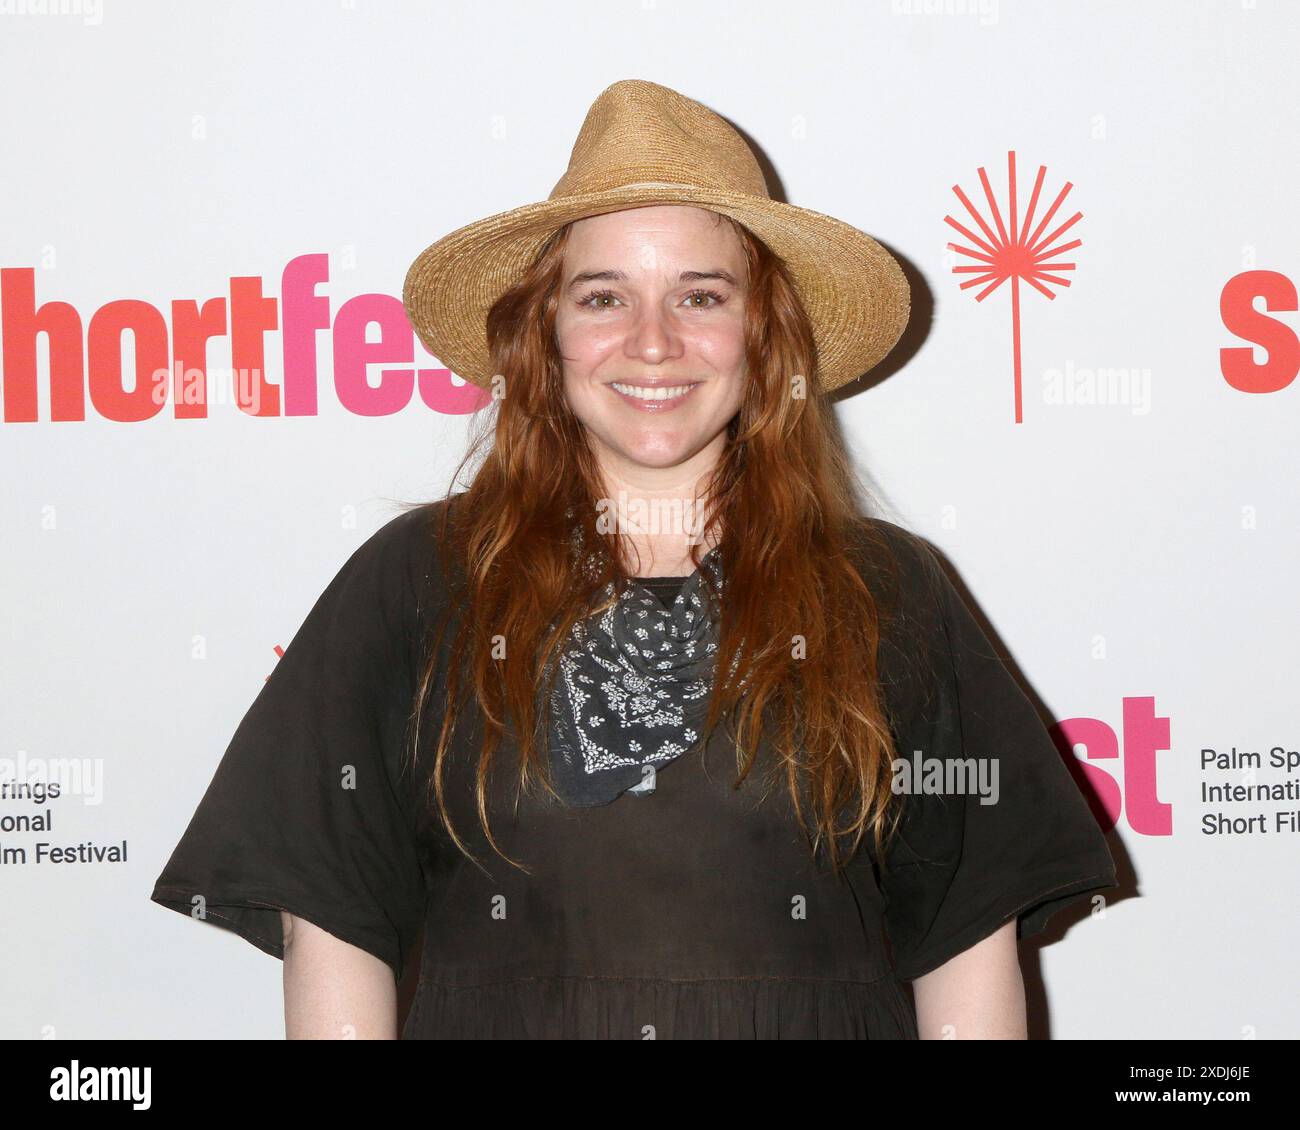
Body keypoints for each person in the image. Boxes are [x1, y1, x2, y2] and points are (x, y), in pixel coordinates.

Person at [150, 79, 1118, 1040]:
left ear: (763, 332)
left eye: (701, 295)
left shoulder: (888, 594)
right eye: (602, 296)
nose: (653, 342)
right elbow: (332, 923)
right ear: (546, 332)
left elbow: (963, 939)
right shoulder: (415, 584)